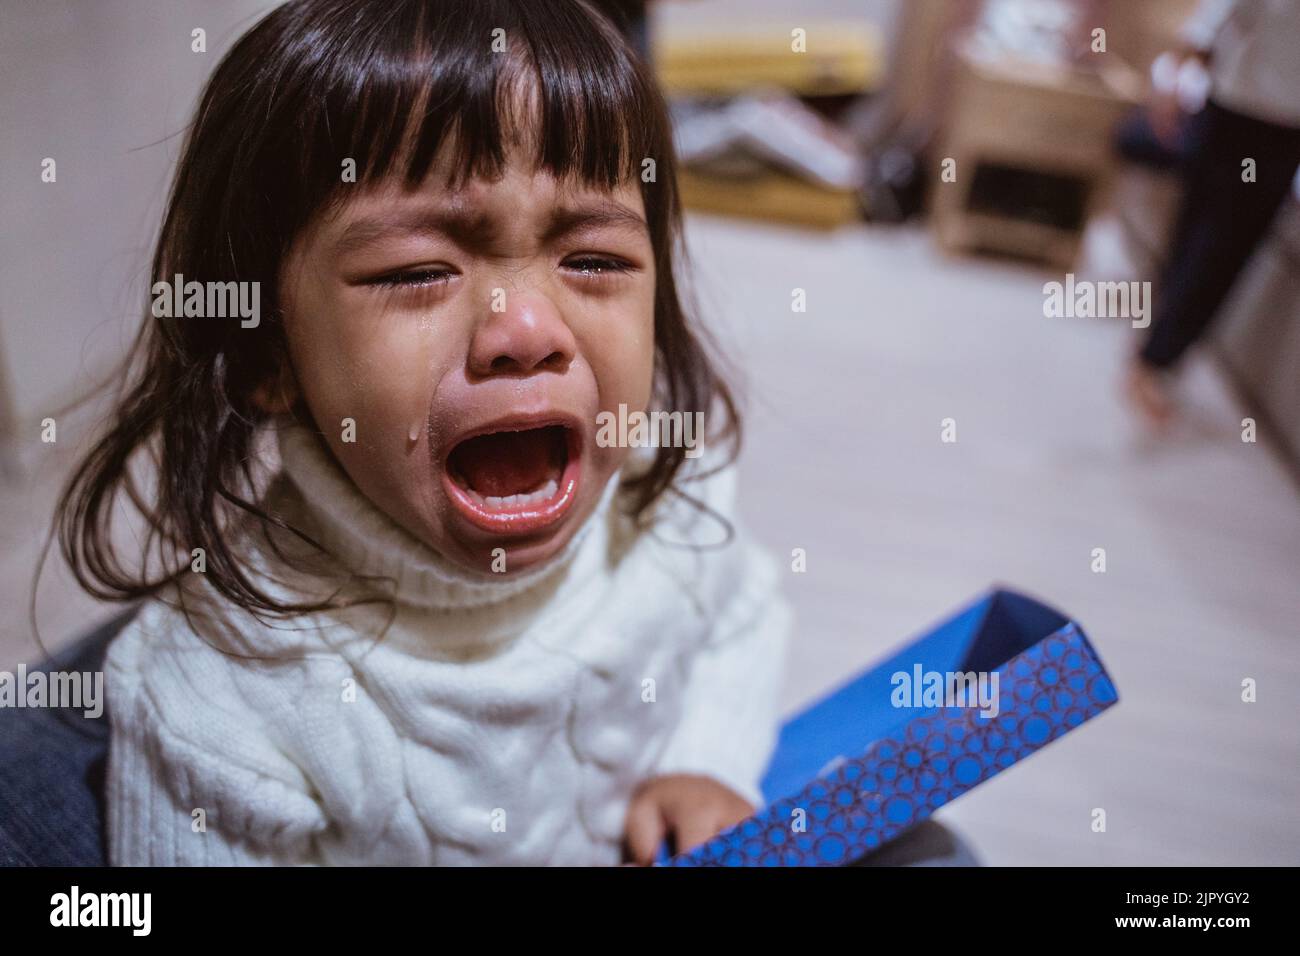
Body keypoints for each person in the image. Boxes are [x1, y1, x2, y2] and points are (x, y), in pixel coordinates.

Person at [55, 0, 791, 866]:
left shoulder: (663, 505)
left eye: (593, 260)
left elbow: (742, 615)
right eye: (417, 272)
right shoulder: (219, 698)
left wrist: (706, 758)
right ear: (268, 354)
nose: (523, 329)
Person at [1125, 0, 1300, 426]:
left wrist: (1173, 78)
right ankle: (1153, 361)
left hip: (1227, 109)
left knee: (1198, 235)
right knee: (1219, 249)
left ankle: (1154, 351)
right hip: (1269, 124)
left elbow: (1213, 20)